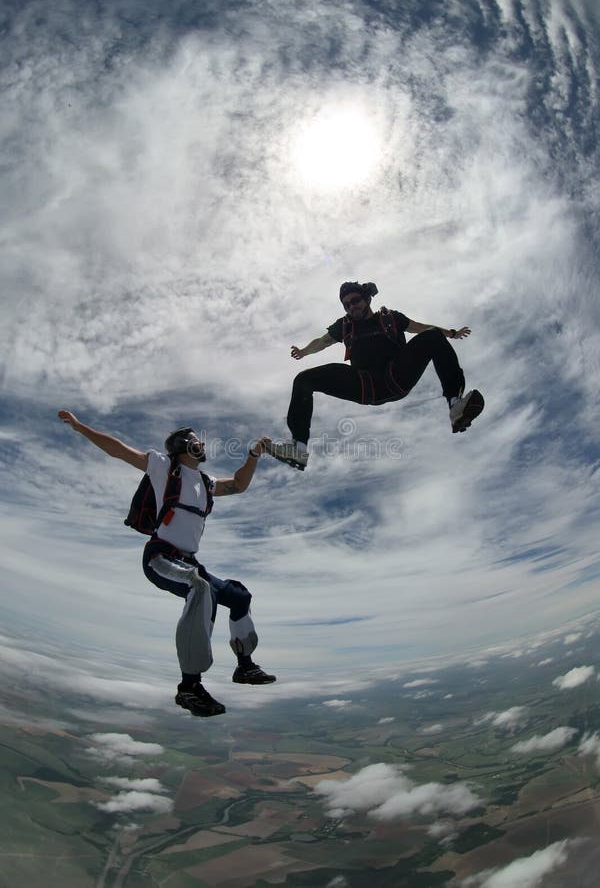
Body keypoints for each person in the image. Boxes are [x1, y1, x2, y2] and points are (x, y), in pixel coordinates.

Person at [58, 411, 276, 718]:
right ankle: (189, 687)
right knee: (200, 588)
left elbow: (239, 485)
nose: (202, 444)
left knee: (239, 595)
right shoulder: (163, 467)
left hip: (188, 562)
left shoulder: (205, 482)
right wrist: (81, 427)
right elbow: (119, 450)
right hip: (160, 557)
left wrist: (254, 454)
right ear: (182, 445)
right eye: (196, 440)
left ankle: (245, 667)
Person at [268, 281, 484, 470]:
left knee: (433, 336)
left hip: (396, 376)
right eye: (347, 305)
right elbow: (322, 342)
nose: (352, 307)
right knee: (304, 379)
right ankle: (299, 448)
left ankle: (455, 405)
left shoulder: (391, 318)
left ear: (367, 299)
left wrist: (450, 333)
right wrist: (303, 352)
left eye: (355, 301)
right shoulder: (344, 326)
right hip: (365, 384)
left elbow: (420, 327)